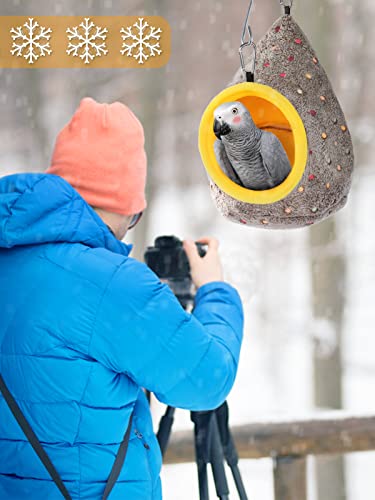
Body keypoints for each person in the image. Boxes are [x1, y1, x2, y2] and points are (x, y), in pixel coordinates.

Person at [0, 98, 244, 499]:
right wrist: (216, 291)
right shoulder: (111, 284)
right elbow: (207, 378)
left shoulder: (10, 261)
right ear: (127, 206)